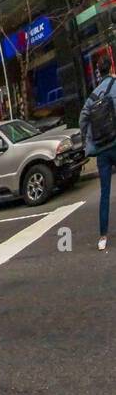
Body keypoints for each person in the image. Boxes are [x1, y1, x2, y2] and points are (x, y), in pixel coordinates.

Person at [79, 55, 116, 251]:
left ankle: (102, 237)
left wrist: (88, 139)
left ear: (97, 72)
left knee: (104, 194)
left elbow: (82, 121)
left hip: (102, 149)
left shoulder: (93, 96)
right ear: (111, 68)